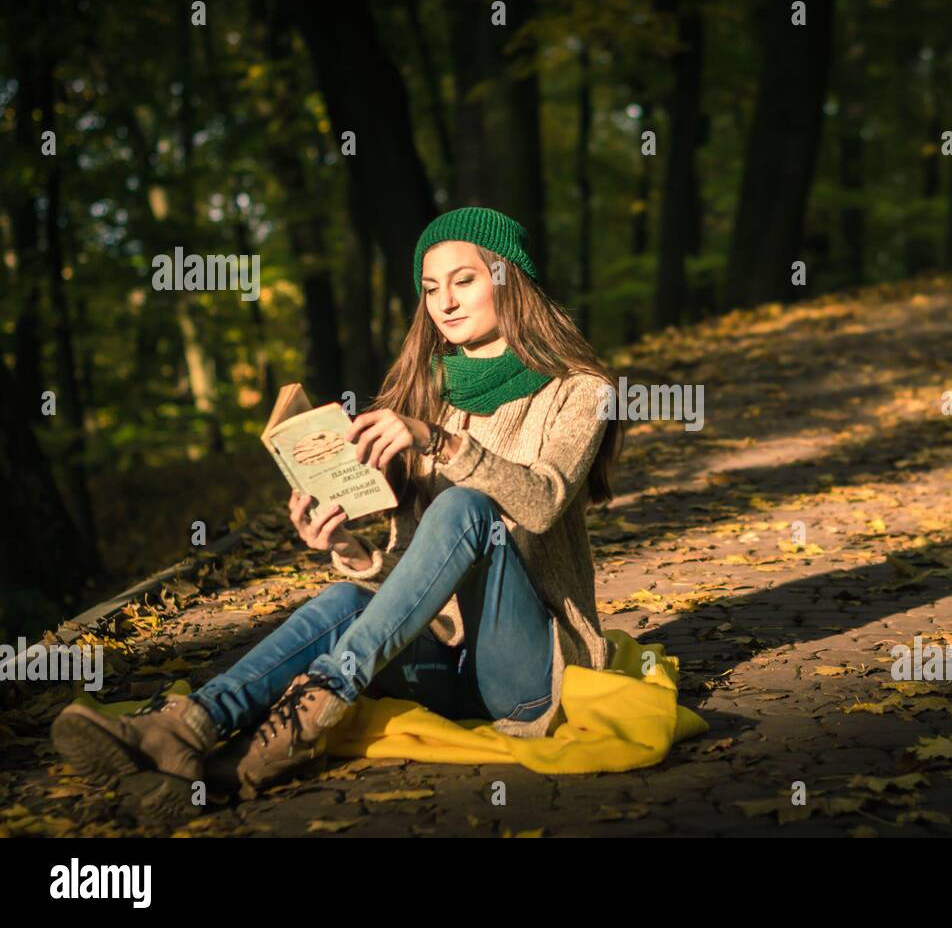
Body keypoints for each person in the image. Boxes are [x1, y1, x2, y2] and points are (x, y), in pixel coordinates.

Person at [51, 207, 623, 817]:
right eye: (430, 289)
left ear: (509, 279)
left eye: (464, 281)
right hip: (447, 674)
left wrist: (440, 442)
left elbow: (542, 502)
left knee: (465, 504)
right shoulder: (428, 392)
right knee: (346, 604)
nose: (445, 303)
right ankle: (189, 731)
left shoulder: (580, 389)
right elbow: (417, 571)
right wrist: (351, 552)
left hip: (532, 674)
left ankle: (326, 692)